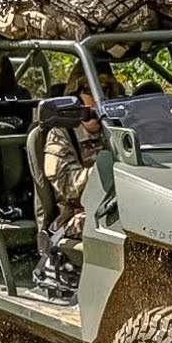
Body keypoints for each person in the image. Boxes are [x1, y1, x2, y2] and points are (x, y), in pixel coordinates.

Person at [43, 68, 123, 239]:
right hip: (74, 217)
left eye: (103, 91)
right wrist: (104, 172)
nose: (97, 98)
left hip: (119, 205)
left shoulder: (115, 129)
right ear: (76, 96)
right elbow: (68, 188)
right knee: (120, 223)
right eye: (89, 91)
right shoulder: (61, 134)